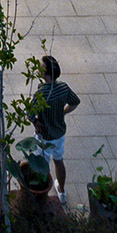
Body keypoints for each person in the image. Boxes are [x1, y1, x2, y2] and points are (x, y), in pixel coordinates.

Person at [31, 54, 81, 204]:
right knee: (59, 161)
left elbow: (29, 113)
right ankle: (62, 191)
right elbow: (75, 102)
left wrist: (35, 122)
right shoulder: (63, 88)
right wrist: (64, 111)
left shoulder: (41, 93)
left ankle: (41, 195)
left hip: (45, 136)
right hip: (59, 133)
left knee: (42, 164)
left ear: (45, 72)